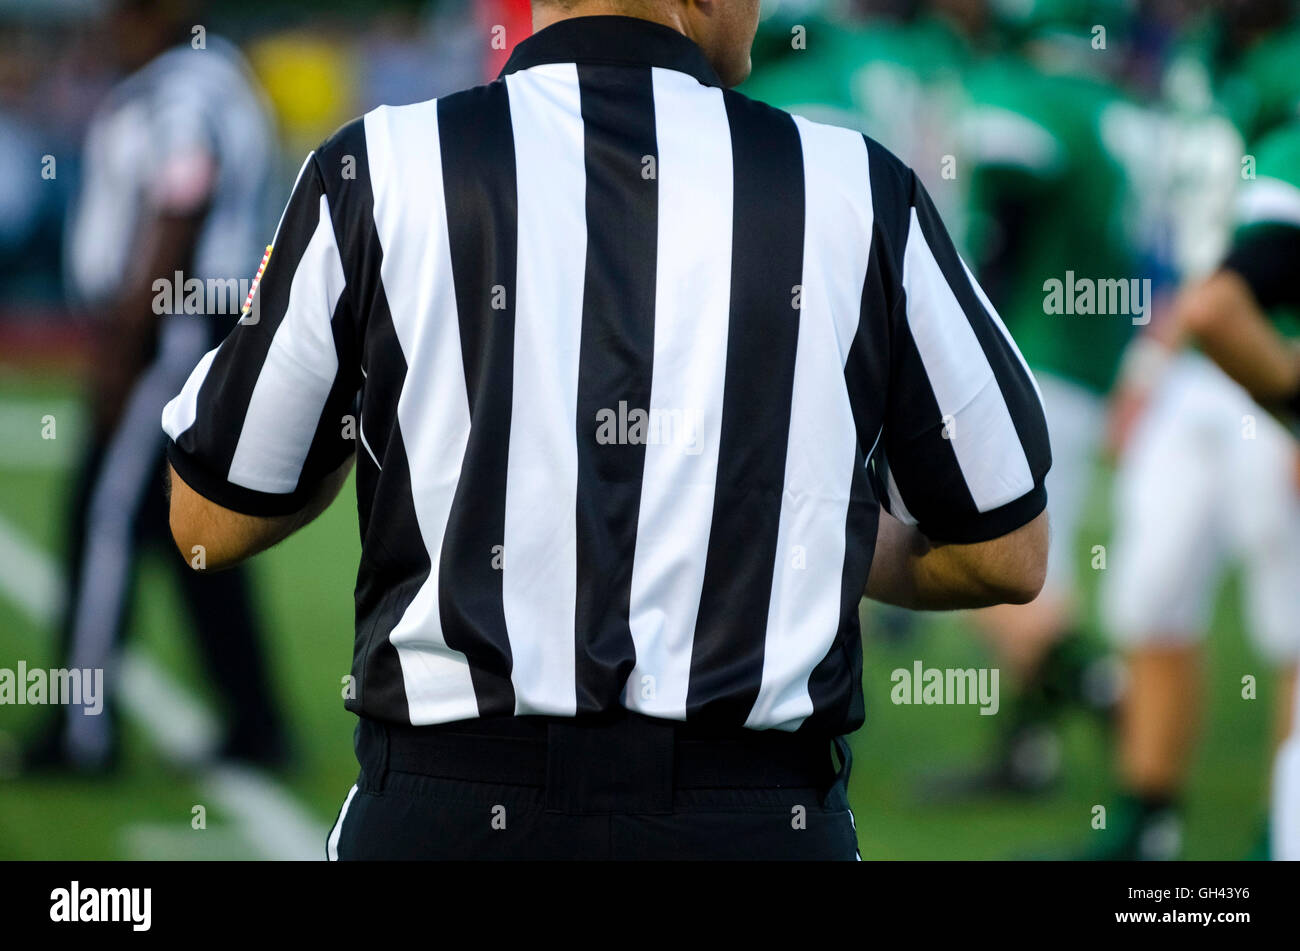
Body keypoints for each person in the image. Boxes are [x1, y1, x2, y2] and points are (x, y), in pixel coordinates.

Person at [163, 0, 1050, 860]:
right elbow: (1005, 550)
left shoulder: (381, 165)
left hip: (451, 807)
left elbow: (209, 519)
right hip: (751, 816)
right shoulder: (859, 186)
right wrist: (798, 530)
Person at [24, 0, 288, 772]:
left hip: (171, 328)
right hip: (186, 323)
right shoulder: (202, 77)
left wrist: (126, 339)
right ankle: (256, 722)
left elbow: (179, 205)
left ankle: (82, 732)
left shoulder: (186, 88)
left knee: (105, 516)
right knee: (189, 532)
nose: (115, 19)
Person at [1098, 1, 1300, 859]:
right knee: (1149, 590)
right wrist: (1150, 364)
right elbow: (1198, 256)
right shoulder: (1195, 59)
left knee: (1289, 616)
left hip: (1275, 341)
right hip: (1197, 358)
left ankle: (1282, 827)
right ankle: (1149, 821)